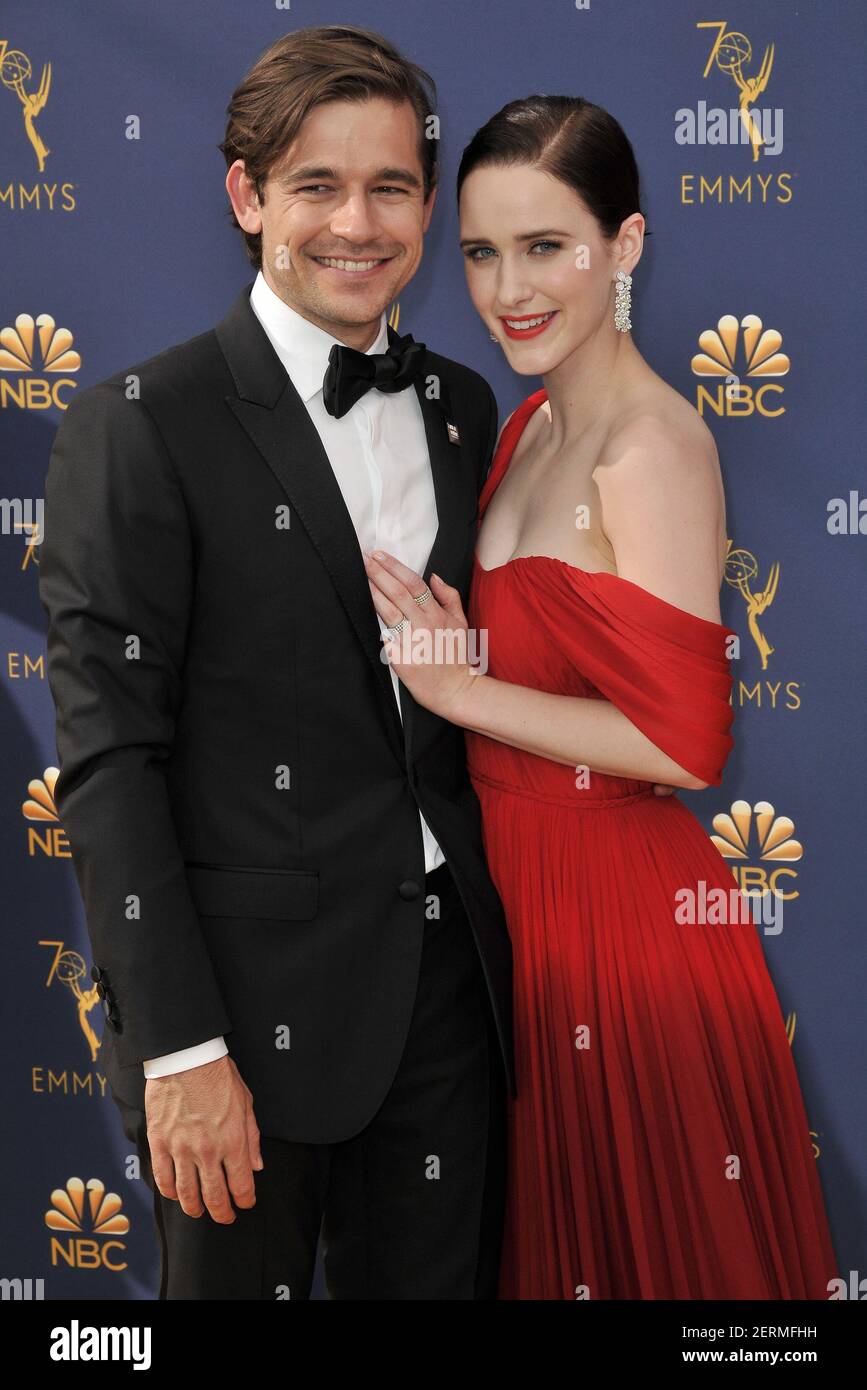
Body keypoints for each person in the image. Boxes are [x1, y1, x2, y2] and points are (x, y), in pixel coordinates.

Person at [38, 25, 517, 1301]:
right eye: (317, 185)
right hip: (241, 1024)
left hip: (449, 1005)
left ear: (427, 200)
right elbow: (113, 766)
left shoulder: (465, 406)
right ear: (248, 197)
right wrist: (181, 1048)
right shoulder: (141, 426)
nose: (357, 224)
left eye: (392, 187)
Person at [363, 94, 840, 1299]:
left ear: (624, 246)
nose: (508, 288)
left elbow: (685, 746)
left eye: (546, 247)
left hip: (621, 930)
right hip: (515, 912)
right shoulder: (522, 426)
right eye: (480, 250)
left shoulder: (653, 447)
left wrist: (461, 695)